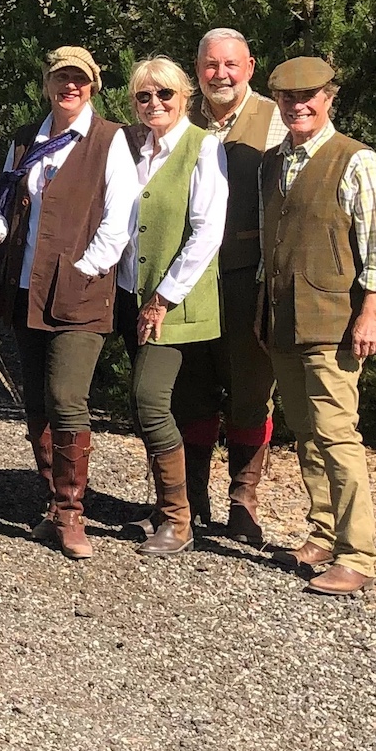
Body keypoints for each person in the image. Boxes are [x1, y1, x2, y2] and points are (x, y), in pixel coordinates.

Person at [0, 45, 137, 560]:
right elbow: (2, 202)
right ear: (46, 84)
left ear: (93, 86)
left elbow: (120, 218)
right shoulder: (26, 139)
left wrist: (85, 269)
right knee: (37, 399)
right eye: (61, 78)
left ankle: (71, 511)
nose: (70, 87)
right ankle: (51, 501)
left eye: (79, 79)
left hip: (80, 291)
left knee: (66, 396)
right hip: (26, 287)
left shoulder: (110, 140)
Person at [261, 55, 376, 596]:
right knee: (305, 433)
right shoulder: (273, 163)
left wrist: (372, 314)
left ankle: (356, 554)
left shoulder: (358, 161)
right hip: (283, 320)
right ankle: (322, 532)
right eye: (288, 98)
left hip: (335, 324)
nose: (298, 106)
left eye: (308, 97)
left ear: (329, 98)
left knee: (338, 435)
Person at [114, 57, 227, 556]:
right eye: (144, 96)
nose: (154, 103)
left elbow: (208, 232)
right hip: (130, 295)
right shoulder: (134, 150)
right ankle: (166, 507)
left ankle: (180, 520)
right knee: (148, 406)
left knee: (150, 400)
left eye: (164, 94)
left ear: (185, 96)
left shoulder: (204, 147)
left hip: (173, 302)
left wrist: (162, 298)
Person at [187, 27, 286, 542]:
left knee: (251, 389)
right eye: (211, 64)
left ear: (249, 67)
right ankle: (191, 497)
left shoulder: (275, 119)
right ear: (197, 69)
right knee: (192, 386)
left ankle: (243, 500)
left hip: (249, 273)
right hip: (188, 276)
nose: (220, 74)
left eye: (231, 64)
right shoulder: (178, 114)